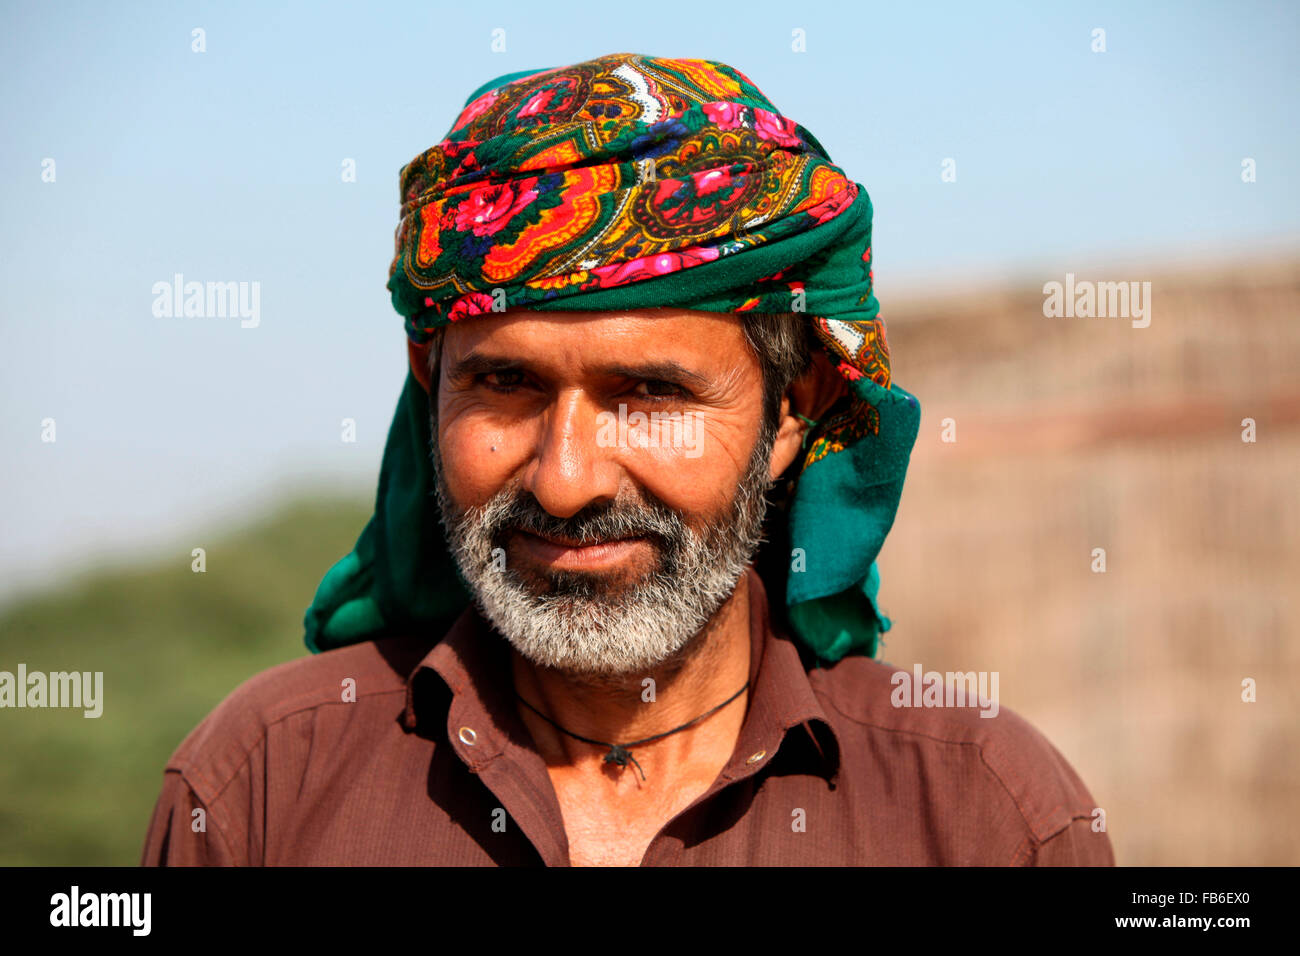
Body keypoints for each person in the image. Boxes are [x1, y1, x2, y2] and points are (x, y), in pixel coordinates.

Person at [141, 52, 1114, 866]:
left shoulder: (987, 816)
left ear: (794, 408)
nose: (566, 479)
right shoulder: (257, 792)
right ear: (427, 380)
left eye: (651, 395)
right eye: (506, 386)